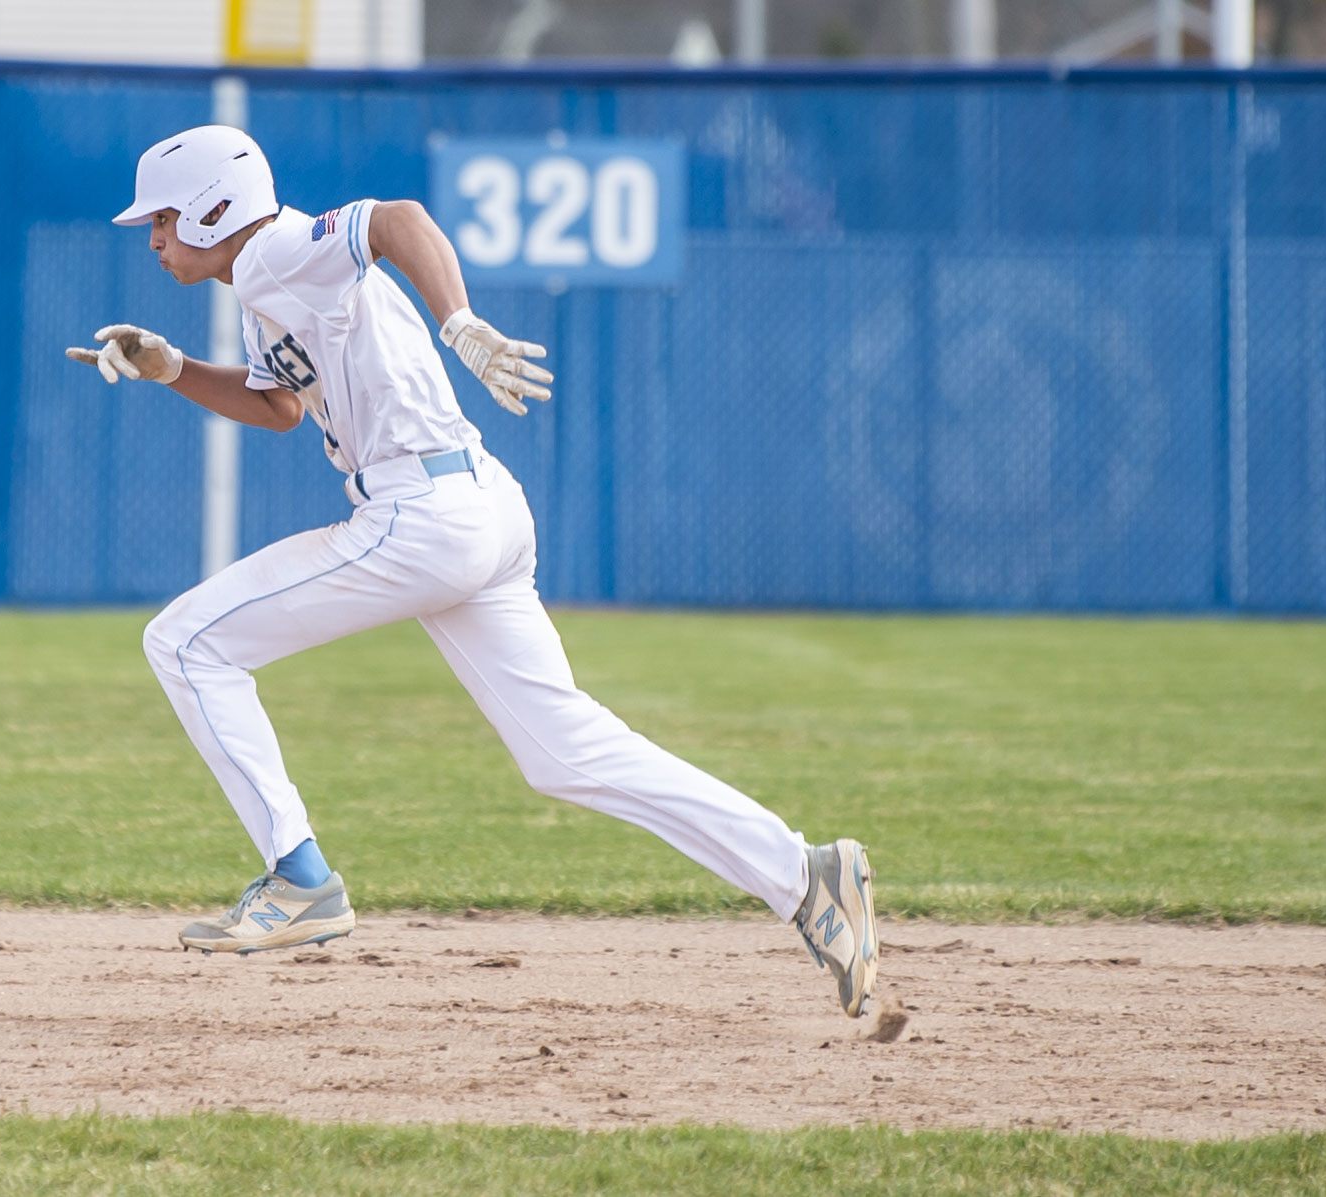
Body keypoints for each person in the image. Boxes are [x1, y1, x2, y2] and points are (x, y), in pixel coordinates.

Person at [65, 126, 881, 1018]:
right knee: (564, 752)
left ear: (217, 207)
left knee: (184, 641)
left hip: (420, 516)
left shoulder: (268, 253)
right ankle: (803, 873)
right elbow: (278, 408)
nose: (151, 237)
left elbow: (398, 219)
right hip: (483, 506)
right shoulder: (269, 282)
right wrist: (173, 368)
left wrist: (459, 322)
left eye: (166, 217)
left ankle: (299, 876)